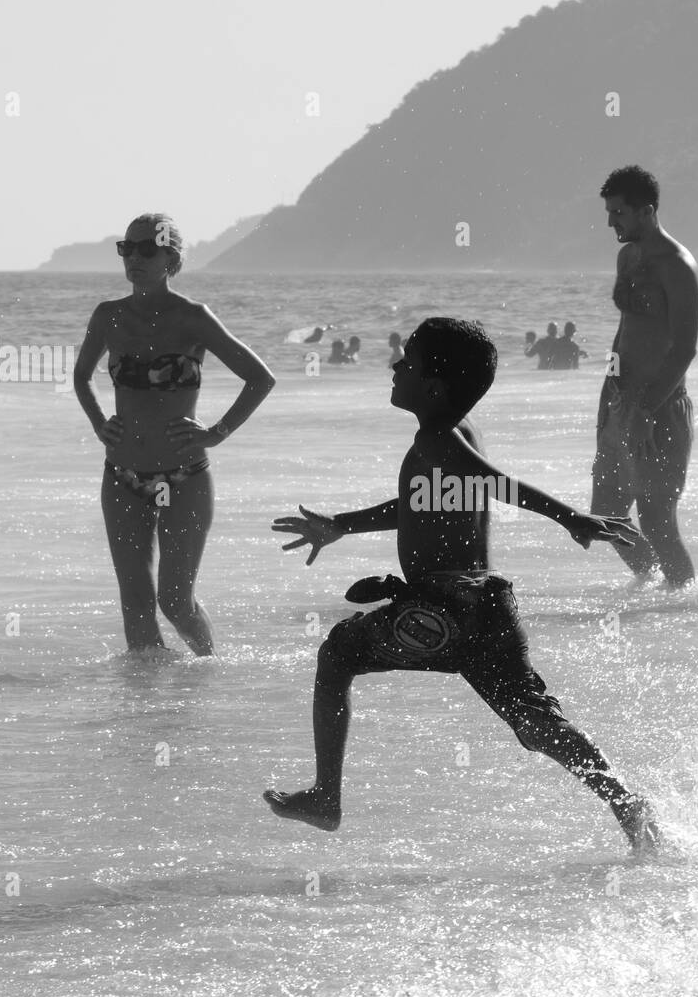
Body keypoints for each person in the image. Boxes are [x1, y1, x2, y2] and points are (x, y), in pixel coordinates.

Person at [265, 317, 658, 850]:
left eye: (407, 360)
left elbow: (492, 481)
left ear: (432, 388)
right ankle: (625, 802)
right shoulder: (453, 435)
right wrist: (340, 524)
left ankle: (326, 796)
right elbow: (417, 506)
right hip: (488, 609)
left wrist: (571, 519)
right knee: (536, 725)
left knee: (338, 654)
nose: (395, 366)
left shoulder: (438, 437)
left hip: (444, 610)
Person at [73, 213, 275, 653]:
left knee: (175, 601)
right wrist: (98, 422)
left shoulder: (193, 318)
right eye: (128, 248)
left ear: (171, 257)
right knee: (136, 605)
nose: (135, 258)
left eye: (148, 249)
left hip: (185, 477)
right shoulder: (108, 316)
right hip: (121, 476)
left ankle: (208, 677)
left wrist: (217, 432)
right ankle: (151, 714)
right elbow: (82, 377)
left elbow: (260, 378)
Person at [591, 165, 698, 587]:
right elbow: (625, 331)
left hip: (662, 407)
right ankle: (654, 594)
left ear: (647, 211)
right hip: (621, 402)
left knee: (657, 521)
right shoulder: (628, 256)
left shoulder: (677, 265)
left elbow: (685, 348)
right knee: (607, 517)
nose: (610, 222)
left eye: (618, 213)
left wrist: (647, 409)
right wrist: (609, 391)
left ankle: (682, 607)